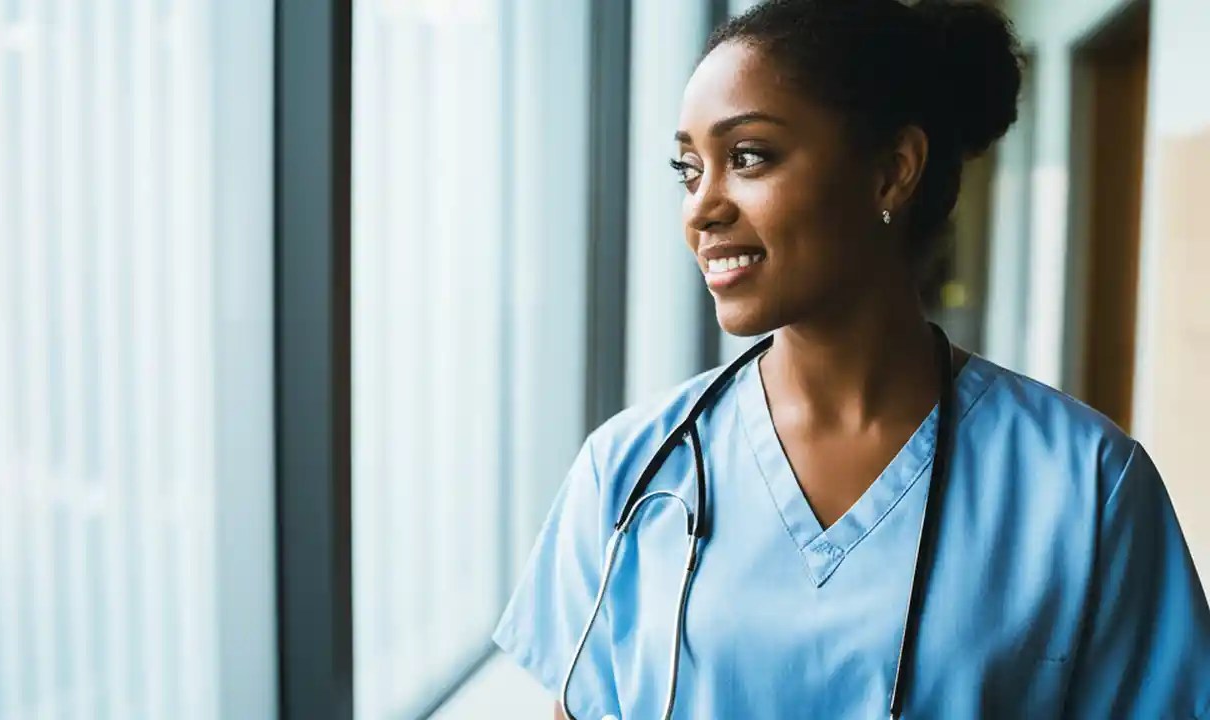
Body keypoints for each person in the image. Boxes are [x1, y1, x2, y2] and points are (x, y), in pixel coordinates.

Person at [492, 0, 1210, 717]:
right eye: (688, 169)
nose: (701, 208)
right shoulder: (628, 468)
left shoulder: (1086, 486)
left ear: (892, 171)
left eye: (747, 157)